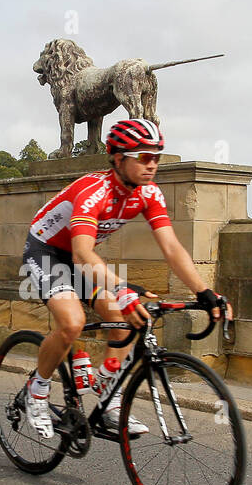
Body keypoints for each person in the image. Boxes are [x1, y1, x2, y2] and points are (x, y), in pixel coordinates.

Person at [19, 117, 232, 437]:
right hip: (47, 250)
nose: (152, 165)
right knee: (72, 322)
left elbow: (172, 247)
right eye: (144, 157)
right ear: (118, 158)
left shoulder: (148, 194)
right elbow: (80, 254)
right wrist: (120, 287)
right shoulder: (94, 192)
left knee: (124, 319)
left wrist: (205, 292)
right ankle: (36, 391)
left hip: (83, 254)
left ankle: (108, 391)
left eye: (157, 157)